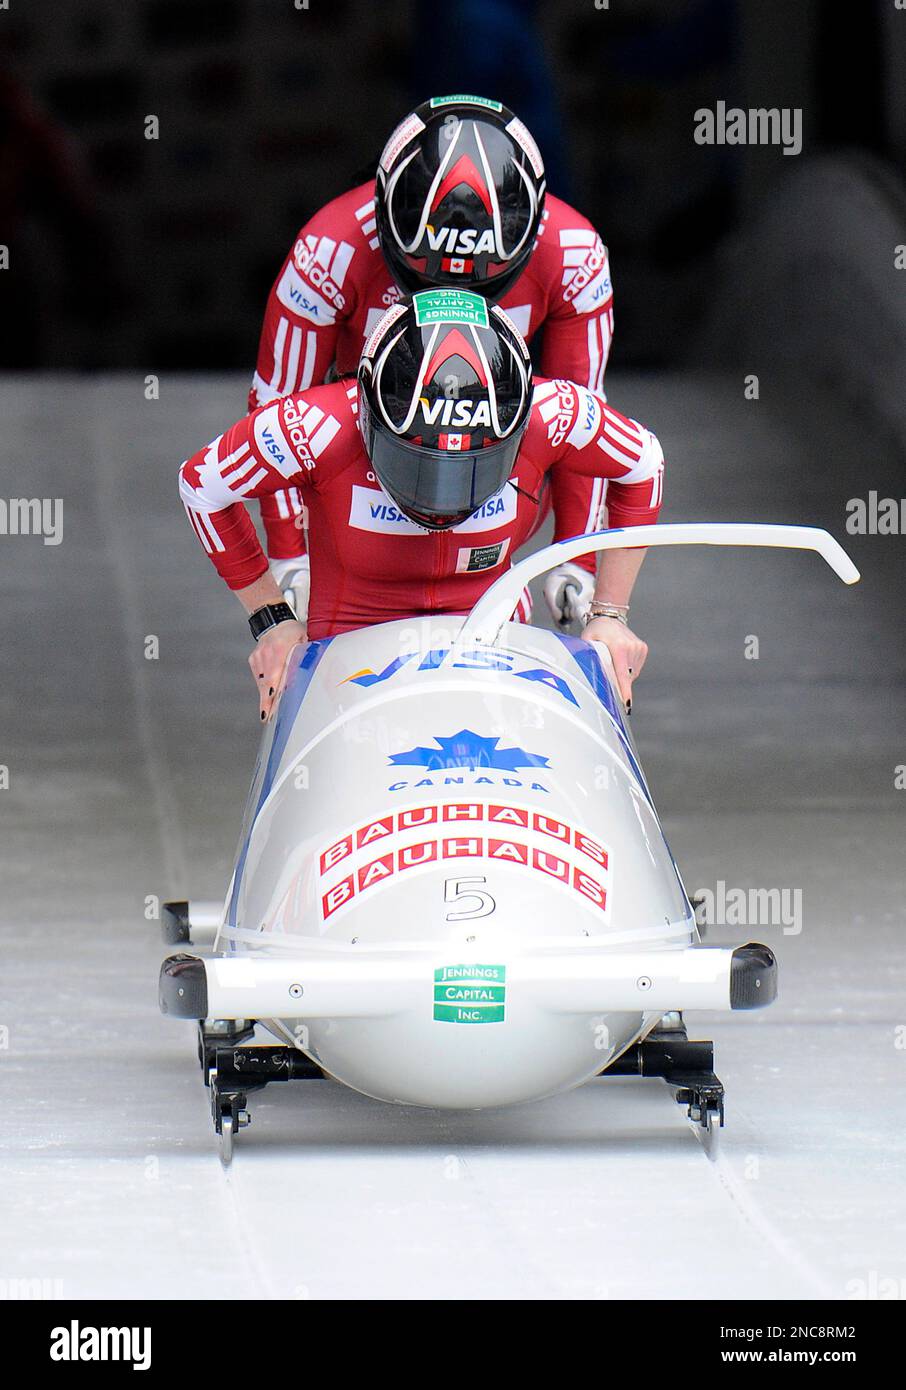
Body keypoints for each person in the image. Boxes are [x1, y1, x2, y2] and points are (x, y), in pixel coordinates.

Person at [180, 292, 662, 723]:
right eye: (419, 463)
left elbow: (643, 463)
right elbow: (201, 485)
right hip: (346, 658)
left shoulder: (550, 414)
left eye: (472, 465)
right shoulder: (315, 426)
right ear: (369, 415)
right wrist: (272, 620)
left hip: (497, 647)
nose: (442, 492)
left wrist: (610, 615)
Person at [248, 95, 616, 627]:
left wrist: (577, 555)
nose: (451, 295)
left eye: (476, 279)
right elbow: (278, 404)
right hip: (361, 480)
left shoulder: (576, 254)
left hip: (494, 477)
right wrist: (290, 551)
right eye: (430, 273)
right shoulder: (329, 251)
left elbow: (584, 416)